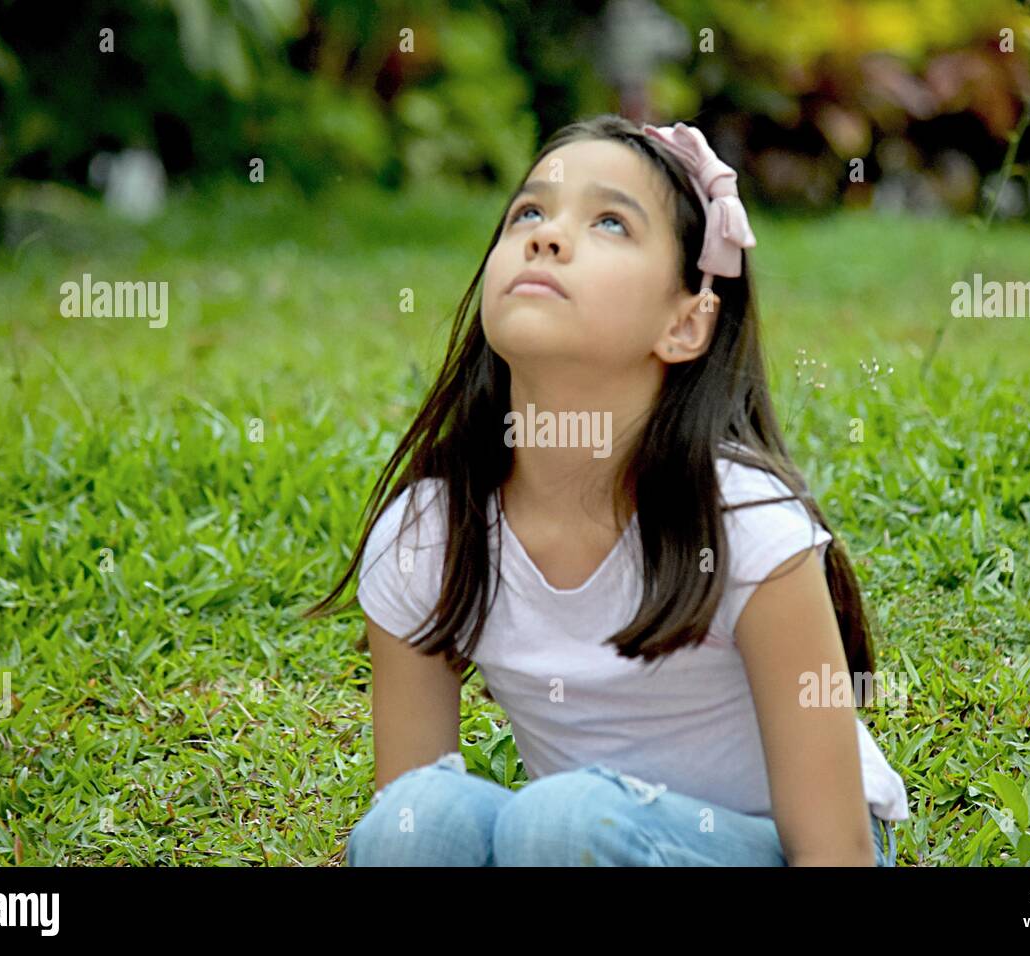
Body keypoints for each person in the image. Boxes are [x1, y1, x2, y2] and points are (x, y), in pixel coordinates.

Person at [305, 113, 909, 866]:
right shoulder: (431, 534)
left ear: (687, 323)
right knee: (424, 816)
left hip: (774, 850)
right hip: (575, 844)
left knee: (565, 820)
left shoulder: (744, 526)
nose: (546, 236)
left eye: (611, 223)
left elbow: (835, 854)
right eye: (530, 211)